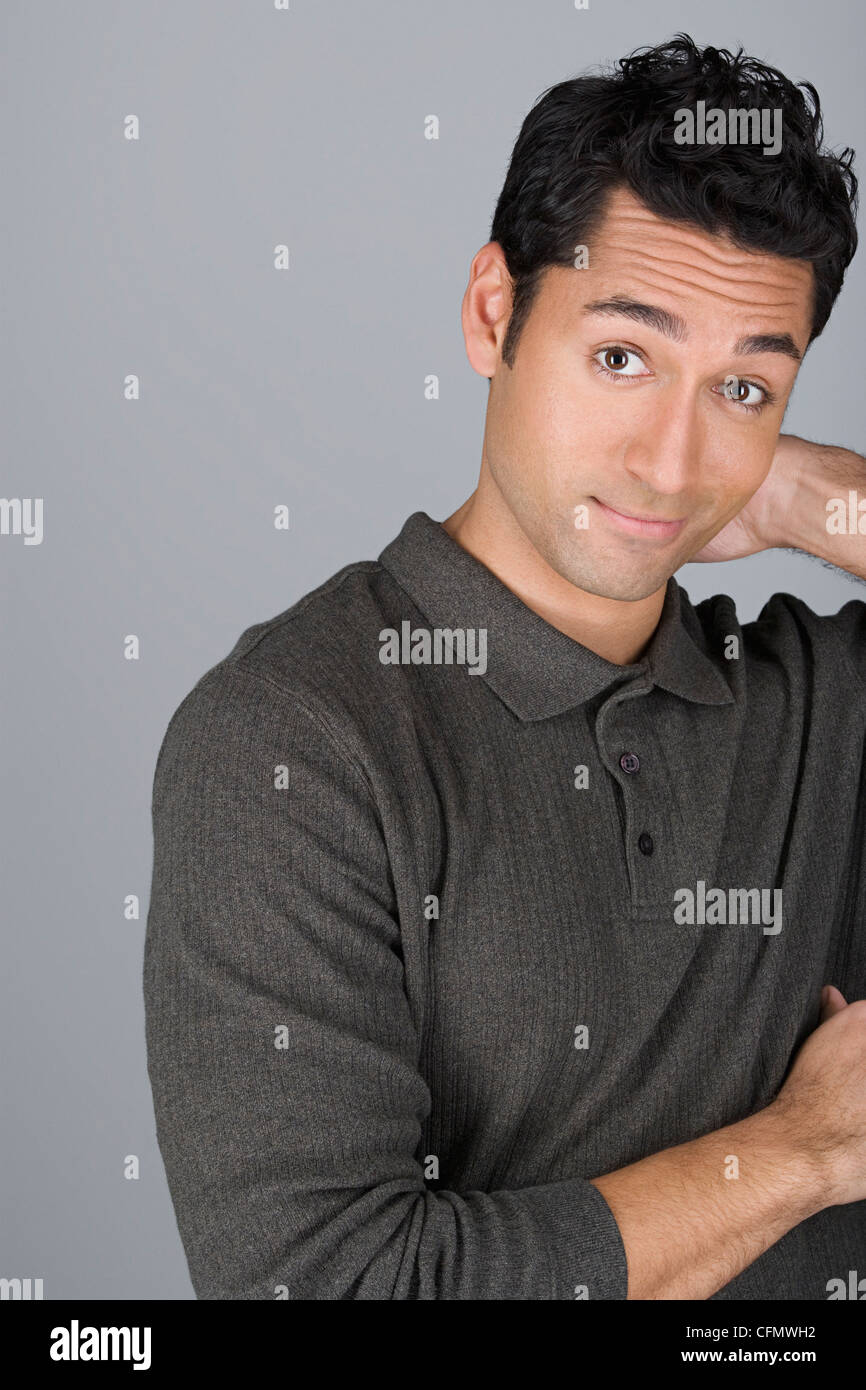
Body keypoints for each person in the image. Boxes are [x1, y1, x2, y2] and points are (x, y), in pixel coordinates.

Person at [143, 35, 866, 1299]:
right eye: (623, 357)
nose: (668, 459)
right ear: (494, 313)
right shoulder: (293, 740)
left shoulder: (816, 700)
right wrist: (802, 1152)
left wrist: (808, 500)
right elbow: (322, 1288)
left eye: (743, 389)